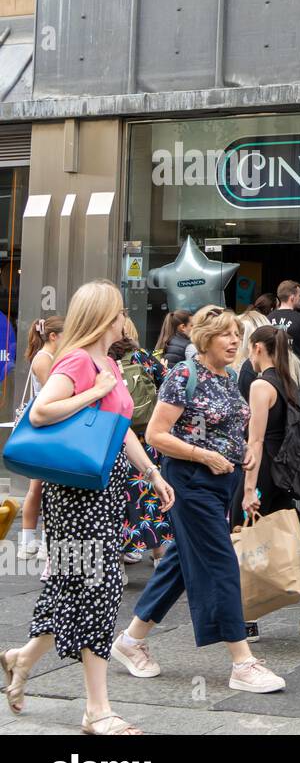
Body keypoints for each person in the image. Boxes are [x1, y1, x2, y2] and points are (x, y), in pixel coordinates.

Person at [2, 281, 174, 735]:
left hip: (106, 488)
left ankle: (22, 658)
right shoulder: (79, 361)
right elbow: (41, 412)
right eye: (118, 312)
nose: (123, 320)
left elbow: (122, 430)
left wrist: (153, 475)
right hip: (76, 496)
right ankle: (97, 710)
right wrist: (92, 390)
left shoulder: (109, 364)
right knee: (100, 588)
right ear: (103, 316)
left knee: (71, 587)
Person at [111, 305, 286, 695]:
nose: (234, 341)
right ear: (205, 338)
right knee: (221, 563)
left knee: (179, 562)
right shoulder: (182, 375)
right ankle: (242, 662)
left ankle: (131, 640)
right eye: (226, 334)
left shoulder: (227, 378)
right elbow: (156, 435)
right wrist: (204, 455)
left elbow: (225, 427)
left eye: (237, 335)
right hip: (190, 482)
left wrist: (242, 452)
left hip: (221, 483)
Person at [238, 324, 300, 639]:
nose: (248, 356)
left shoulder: (261, 385)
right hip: (285, 470)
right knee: (288, 532)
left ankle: (246, 619)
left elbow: (256, 441)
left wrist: (249, 488)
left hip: (264, 470)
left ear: (259, 348)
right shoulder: (289, 382)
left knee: (242, 536)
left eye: (250, 349)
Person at [110, 320, 171, 566]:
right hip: (144, 437)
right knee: (149, 496)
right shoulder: (140, 355)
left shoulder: (101, 358)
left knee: (118, 499)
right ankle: (158, 554)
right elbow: (165, 380)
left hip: (112, 438)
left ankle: (120, 557)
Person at [15, 315, 63, 560]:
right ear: (53, 336)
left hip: (45, 426)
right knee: (41, 487)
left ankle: (32, 542)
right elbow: (53, 393)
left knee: (40, 486)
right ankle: (36, 543)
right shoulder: (44, 359)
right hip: (45, 427)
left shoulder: (46, 357)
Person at [266, 280, 300, 381]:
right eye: (299, 296)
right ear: (292, 297)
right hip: (295, 376)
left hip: (273, 376)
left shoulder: (268, 318)